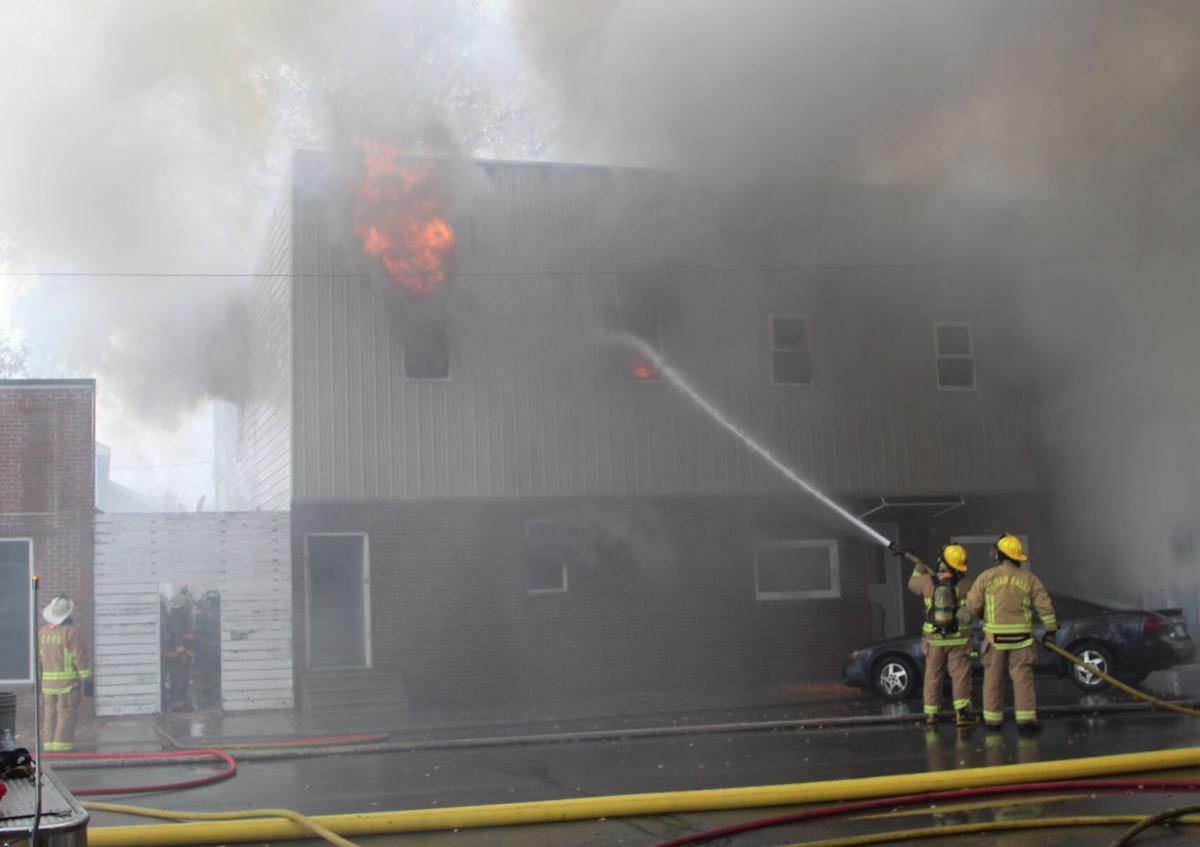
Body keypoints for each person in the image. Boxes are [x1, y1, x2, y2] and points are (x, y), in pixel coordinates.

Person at [965, 533, 1057, 734]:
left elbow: (971, 605)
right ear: (1017, 557)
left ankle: (992, 722)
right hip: (1022, 640)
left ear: (998, 555)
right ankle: (1025, 722)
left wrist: (983, 614)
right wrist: (1050, 631)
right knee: (1022, 680)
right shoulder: (1029, 579)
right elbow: (1044, 605)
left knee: (992, 680)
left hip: (994, 640)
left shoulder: (987, 577)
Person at [907, 544, 978, 727]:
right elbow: (977, 606)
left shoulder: (927, 581)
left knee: (932, 676)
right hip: (959, 639)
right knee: (960, 676)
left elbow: (912, 585)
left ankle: (931, 714)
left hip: (934, 639)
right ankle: (962, 714)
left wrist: (918, 568)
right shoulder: (966, 584)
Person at [38, 595, 93, 752]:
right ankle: (62, 749)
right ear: (67, 615)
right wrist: (88, 680)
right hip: (68, 686)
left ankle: (48, 747)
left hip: (48, 686)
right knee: (66, 715)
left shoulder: (43, 632)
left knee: (49, 716)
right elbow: (80, 659)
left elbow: (38, 659)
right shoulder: (71, 633)